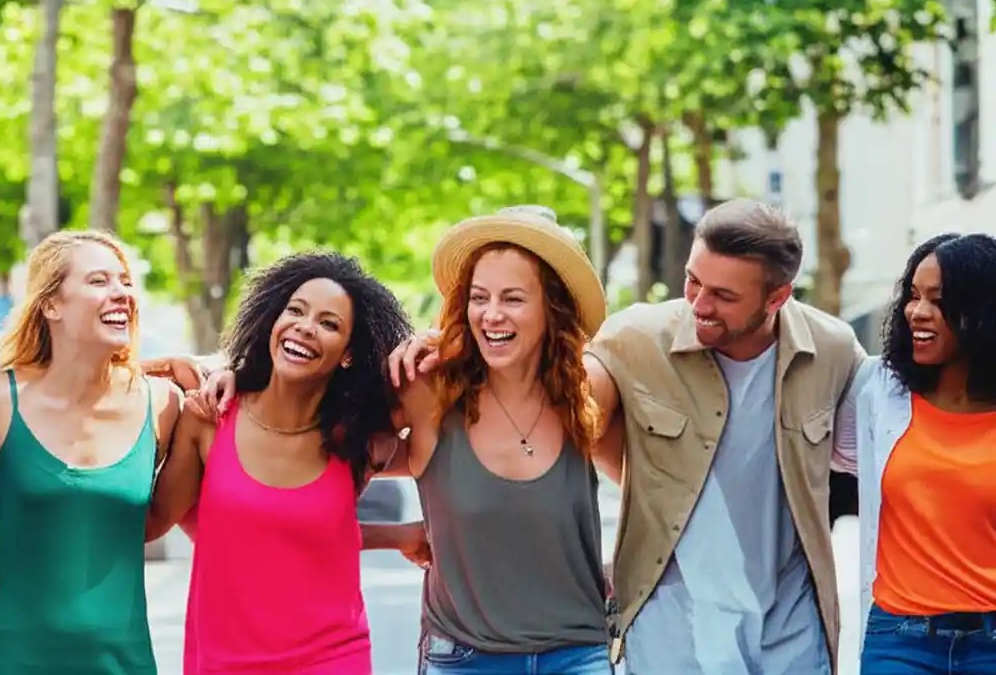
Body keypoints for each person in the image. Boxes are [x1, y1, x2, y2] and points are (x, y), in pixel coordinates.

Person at [391, 199, 865, 673]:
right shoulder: (636, 337)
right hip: (673, 631)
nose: (698, 304)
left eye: (723, 295)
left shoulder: (833, 350)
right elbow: (548, 389)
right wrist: (449, 341)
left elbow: (883, 446)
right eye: (692, 281)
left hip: (790, 635)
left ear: (777, 297)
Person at [149, 251, 425, 674]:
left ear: (349, 353)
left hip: (332, 657)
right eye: (295, 310)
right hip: (223, 662)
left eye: (329, 324)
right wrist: (166, 366)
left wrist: (434, 342)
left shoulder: (358, 439)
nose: (305, 327)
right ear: (272, 321)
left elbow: (449, 423)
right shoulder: (209, 418)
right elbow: (150, 525)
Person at [0, 230, 183, 675]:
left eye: (125, 281)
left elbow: (151, 524)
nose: (121, 294)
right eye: (99, 281)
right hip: (13, 660)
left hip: (124, 662)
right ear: (50, 304)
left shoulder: (164, 405)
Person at [401, 206, 613, 674]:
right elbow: (315, 421)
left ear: (550, 309)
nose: (491, 314)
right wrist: (209, 374)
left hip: (578, 654)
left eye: (513, 298)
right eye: (479, 297)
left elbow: (667, 466)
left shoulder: (589, 394)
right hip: (463, 659)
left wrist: (635, 570)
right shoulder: (429, 393)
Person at [847, 233, 996, 673]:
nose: (917, 311)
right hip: (899, 640)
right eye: (913, 296)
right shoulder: (880, 392)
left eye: (938, 299)